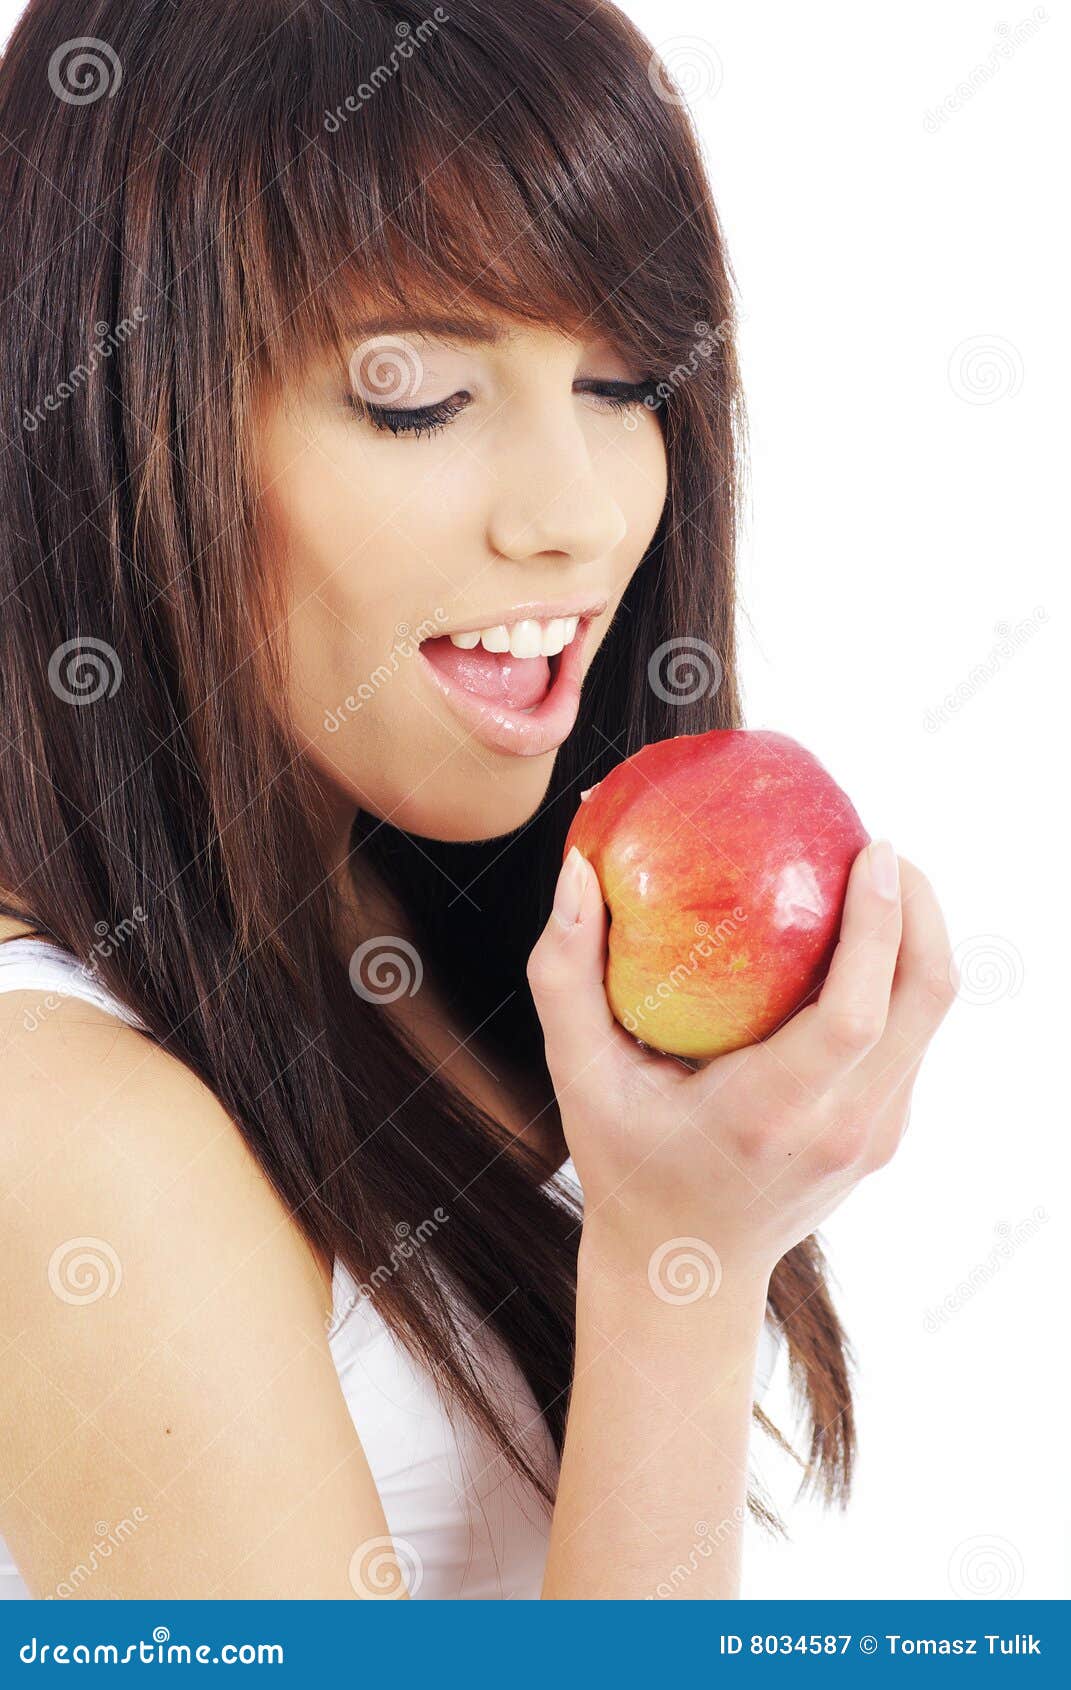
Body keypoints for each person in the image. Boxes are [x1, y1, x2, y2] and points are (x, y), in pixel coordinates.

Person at [0, 0, 956, 1599]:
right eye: (414, 394)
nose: (578, 516)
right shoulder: (75, 1131)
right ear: (111, 425)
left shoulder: (421, 926)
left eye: (623, 380)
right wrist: (684, 1268)